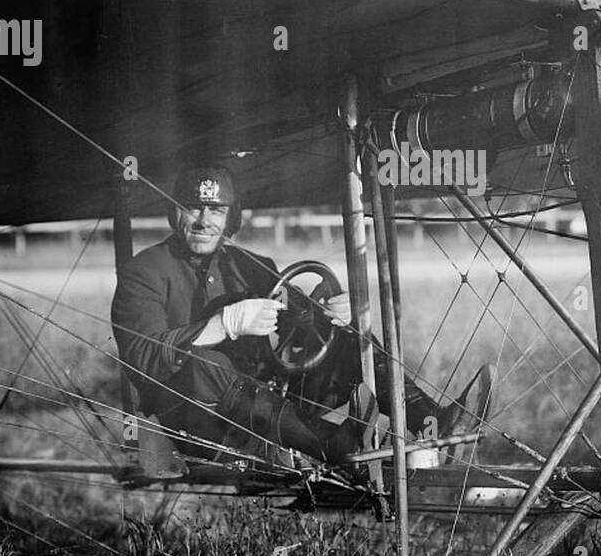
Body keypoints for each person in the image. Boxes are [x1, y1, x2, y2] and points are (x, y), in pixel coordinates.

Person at [111, 165, 483, 466]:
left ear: (231, 218)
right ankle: (343, 448)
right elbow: (141, 358)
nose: (204, 219)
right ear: (174, 211)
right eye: (194, 207)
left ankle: (432, 425)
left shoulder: (250, 266)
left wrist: (333, 314)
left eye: (217, 210)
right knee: (207, 364)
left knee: (348, 341)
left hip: (265, 410)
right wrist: (221, 325)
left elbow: (299, 315)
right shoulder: (144, 272)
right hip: (196, 422)